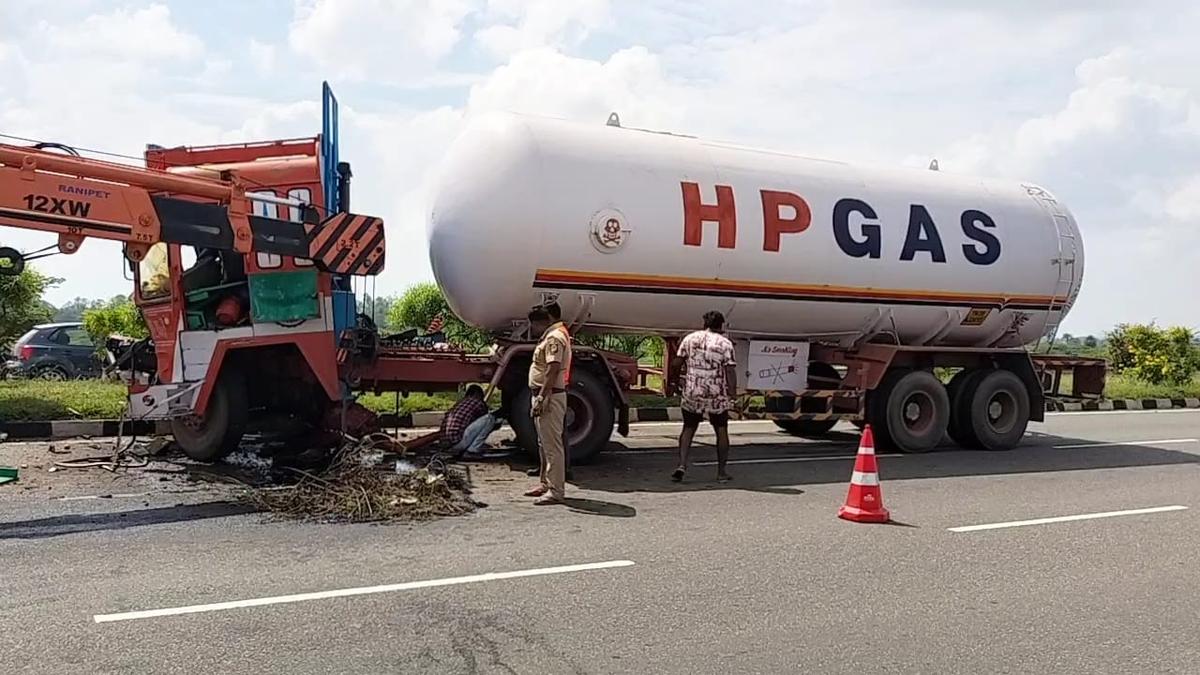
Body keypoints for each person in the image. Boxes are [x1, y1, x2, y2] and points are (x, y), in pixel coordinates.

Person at [671, 310, 737, 482]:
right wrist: (733, 393)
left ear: (704, 324)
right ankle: (721, 473)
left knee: (688, 428)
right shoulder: (725, 343)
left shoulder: (690, 339)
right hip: (716, 394)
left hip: (693, 390)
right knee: (721, 430)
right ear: (721, 325)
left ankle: (682, 465)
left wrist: (675, 381)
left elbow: (677, 362)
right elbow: (730, 371)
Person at [523, 303, 572, 505]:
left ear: (546, 321)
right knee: (544, 443)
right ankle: (545, 483)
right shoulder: (553, 335)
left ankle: (556, 490)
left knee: (552, 446)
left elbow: (553, 369)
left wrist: (542, 397)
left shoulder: (554, 337)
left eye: (535, 324)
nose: (533, 329)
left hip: (550, 396)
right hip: (545, 394)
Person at [440, 385, 494, 459]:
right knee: (490, 419)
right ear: (477, 394)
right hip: (458, 442)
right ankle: (472, 451)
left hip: (447, 444)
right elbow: (483, 420)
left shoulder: (460, 402)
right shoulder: (477, 402)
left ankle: (462, 449)